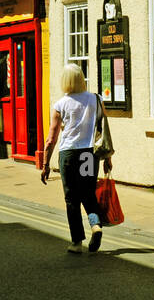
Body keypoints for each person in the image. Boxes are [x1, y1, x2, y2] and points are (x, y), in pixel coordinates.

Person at [41, 64, 112, 254]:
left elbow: (51, 138)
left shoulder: (61, 104)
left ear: (65, 81)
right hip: (89, 154)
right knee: (88, 193)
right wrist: (107, 158)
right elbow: (103, 131)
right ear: (82, 78)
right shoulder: (96, 99)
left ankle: (76, 242)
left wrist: (45, 163)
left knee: (72, 198)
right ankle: (95, 226)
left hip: (69, 156)